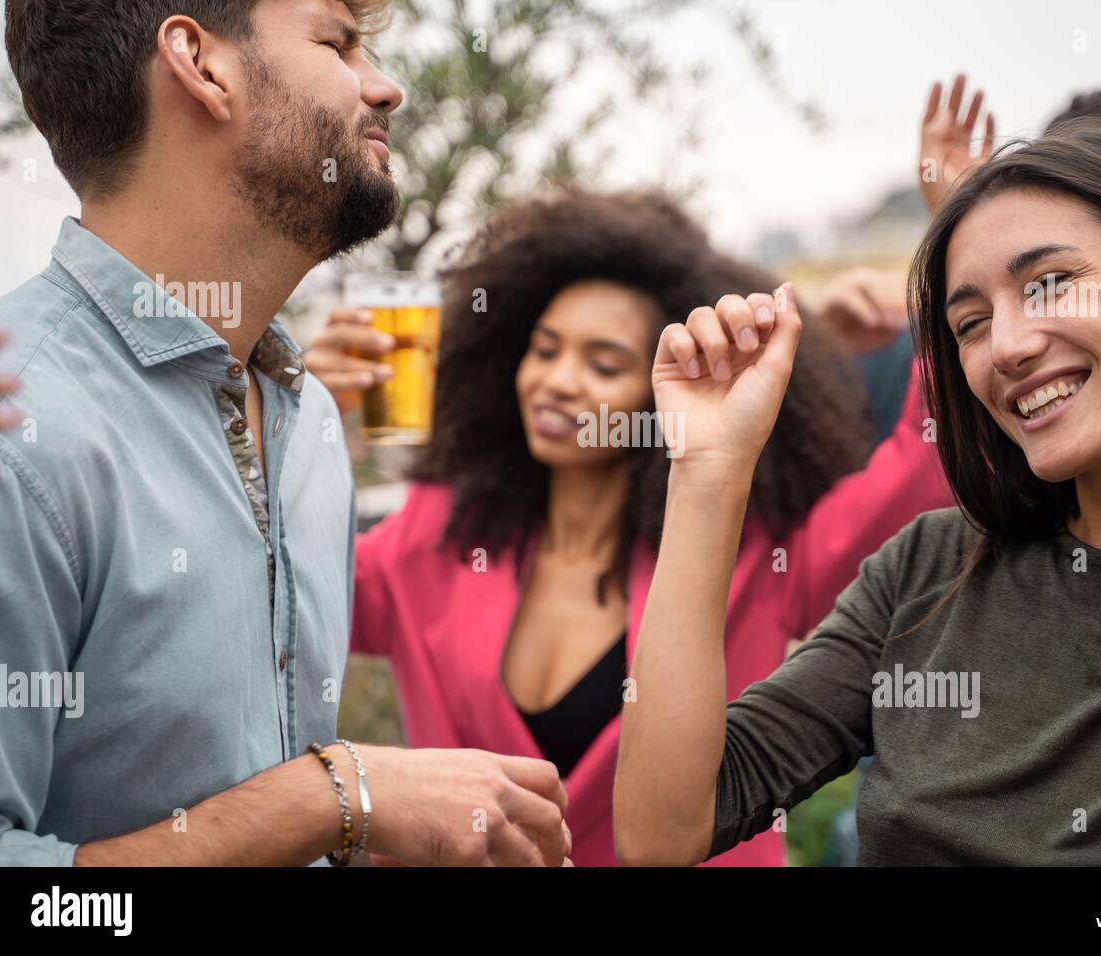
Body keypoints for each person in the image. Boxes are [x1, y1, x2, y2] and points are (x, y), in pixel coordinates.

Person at [0, 0, 569, 867]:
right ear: (200, 64)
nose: (387, 87)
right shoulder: (10, 429)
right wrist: (333, 797)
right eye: (337, 42)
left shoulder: (310, 420)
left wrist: (374, 827)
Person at [613, 119, 1101, 865]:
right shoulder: (928, 571)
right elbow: (664, 831)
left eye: (1051, 285)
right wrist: (709, 469)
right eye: (972, 323)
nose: (1010, 346)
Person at [305, 187, 953, 865]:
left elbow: (921, 471)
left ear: (666, 388)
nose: (557, 380)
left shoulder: (750, 548)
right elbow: (292, 587)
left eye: (603, 364)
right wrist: (300, 418)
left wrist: (948, 284)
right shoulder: (445, 528)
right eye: (544, 349)